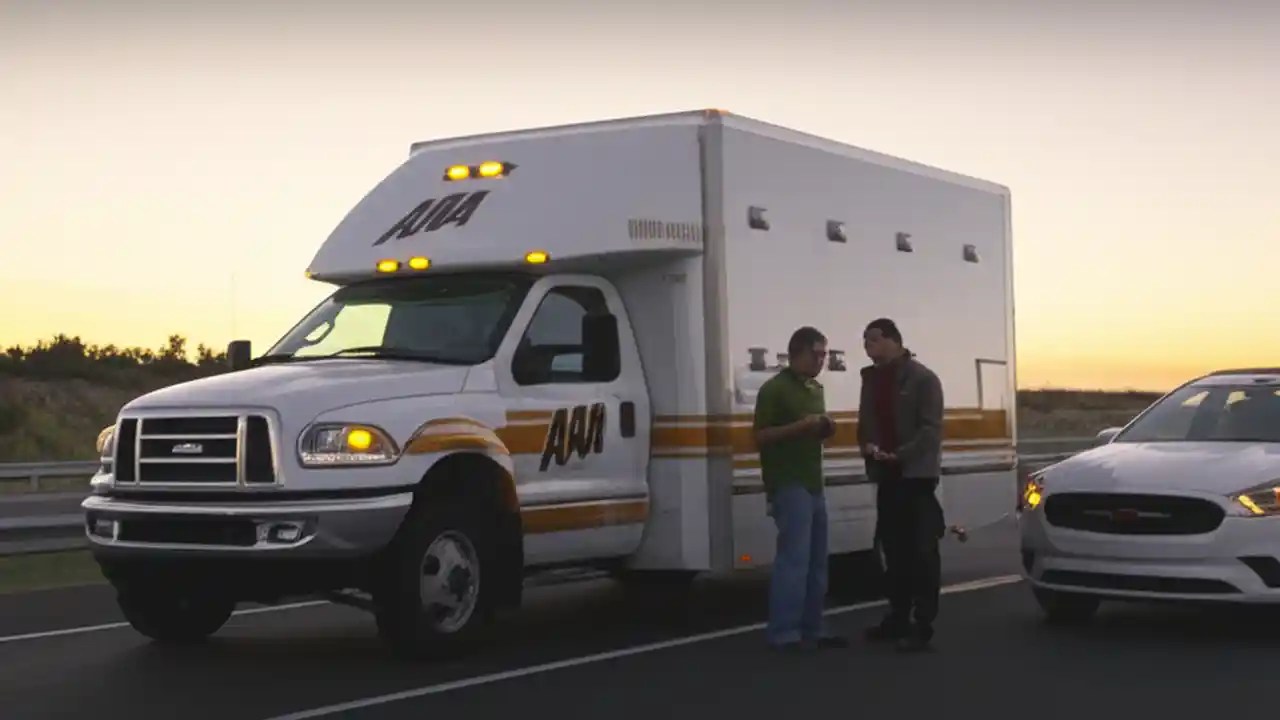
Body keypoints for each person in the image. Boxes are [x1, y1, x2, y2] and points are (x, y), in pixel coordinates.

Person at [753, 326, 846, 651]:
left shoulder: (815, 389)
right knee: (794, 559)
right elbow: (761, 437)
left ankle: (813, 627)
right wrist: (800, 427)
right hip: (787, 482)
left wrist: (824, 427)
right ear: (797, 353)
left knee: (818, 560)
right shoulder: (774, 390)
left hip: (813, 481)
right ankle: (784, 631)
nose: (821, 361)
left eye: (824, 355)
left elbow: (814, 430)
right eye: (816, 354)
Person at [857, 318, 945, 652]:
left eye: (875, 339)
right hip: (887, 477)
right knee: (892, 551)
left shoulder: (922, 379)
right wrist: (866, 446)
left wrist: (900, 455)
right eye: (865, 341)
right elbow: (866, 421)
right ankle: (897, 616)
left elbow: (930, 430)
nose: (868, 346)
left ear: (895, 341)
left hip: (915, 477)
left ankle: (923, 624)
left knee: (921, 551)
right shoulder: (871, 379)